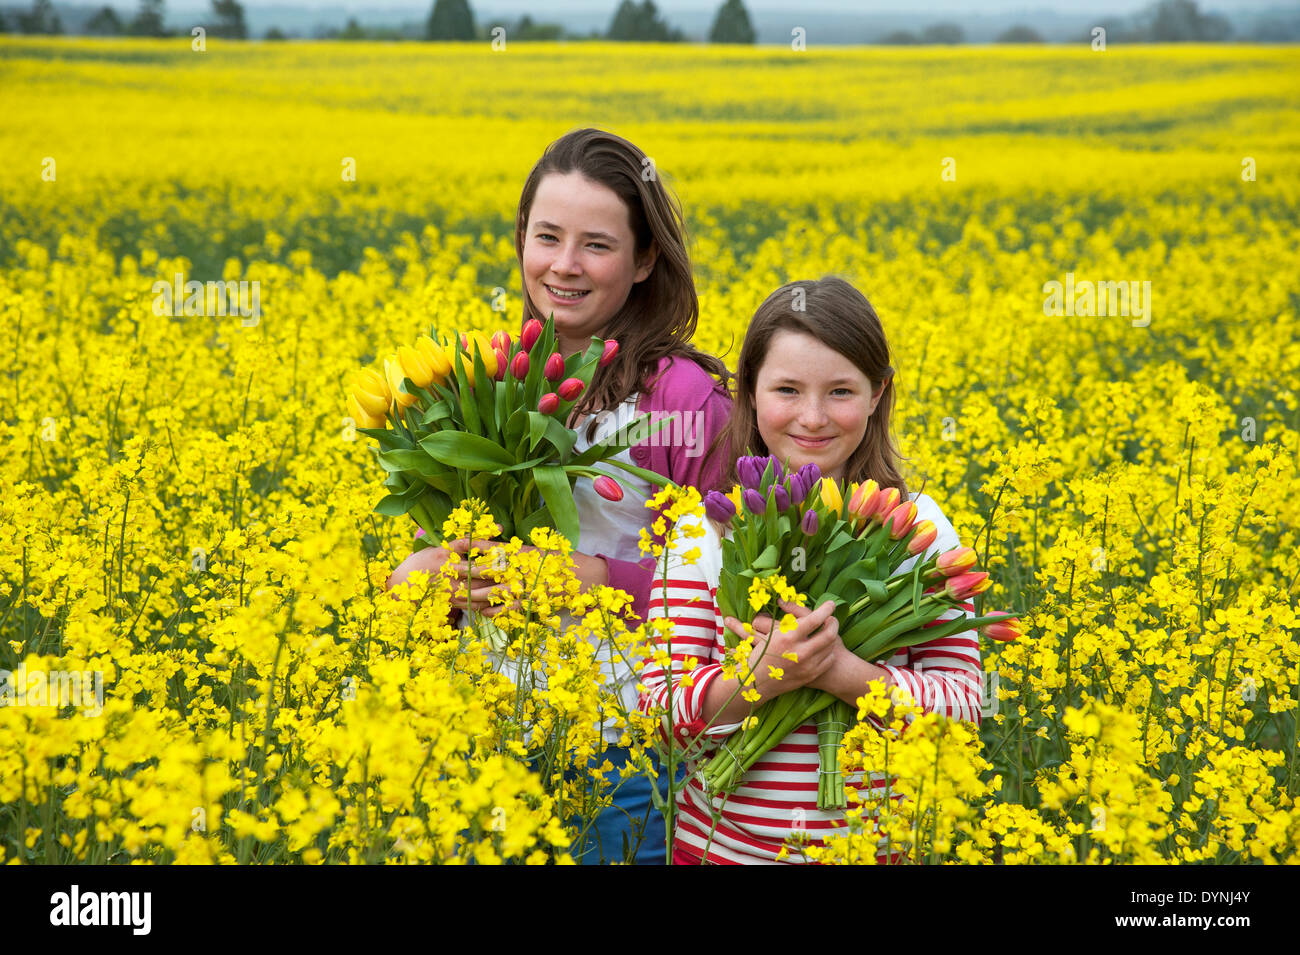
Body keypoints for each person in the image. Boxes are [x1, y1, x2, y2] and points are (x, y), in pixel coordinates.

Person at [385, 127, 733, 864]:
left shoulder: (681, 394)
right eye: (547, 236)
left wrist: (601, 581)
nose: (564, 265)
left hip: (623, 753)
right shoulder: (488, 377)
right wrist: (427, 574)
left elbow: (738, 576)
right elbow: (464, 530)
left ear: (644, 260)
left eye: (597, 245)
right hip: (486, 739)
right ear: (521, 240)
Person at [639, 276, 983, 865]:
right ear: (749, 391)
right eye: (788, 390)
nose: (814, 417)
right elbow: (658, 714)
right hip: (722, 852)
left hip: (877, 852)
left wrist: (844, 674)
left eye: (842, 391)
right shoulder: (706, 532)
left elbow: (964, 710)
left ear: (879, 393)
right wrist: (757, 681)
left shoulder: (916, 529)